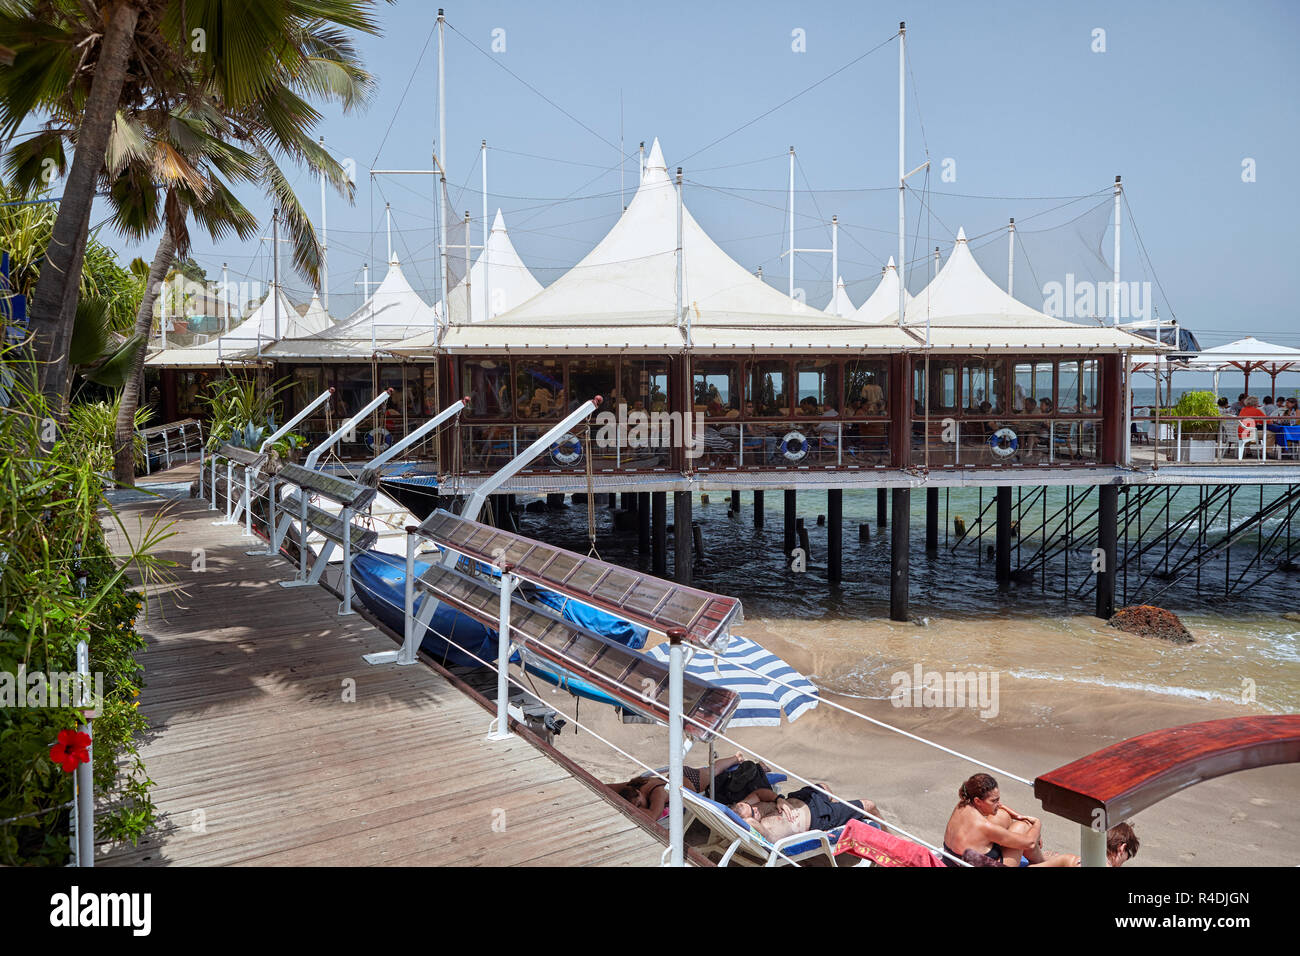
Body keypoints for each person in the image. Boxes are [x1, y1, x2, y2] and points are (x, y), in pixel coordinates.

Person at [942, 773, 1079, 867]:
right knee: (1069, 860)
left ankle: (1038, 858)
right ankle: (1041, 860)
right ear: (978, 801)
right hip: (983, 862)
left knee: (1003, 815)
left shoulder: (963, 804)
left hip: (956, 860)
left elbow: (1000, 808)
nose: (998, 803)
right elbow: (1029, 843)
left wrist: (1016, 815)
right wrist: (1037, 824)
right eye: (994, 800)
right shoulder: (984, 827)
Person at [610, 754, 766, 820]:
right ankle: (736, 759)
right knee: (711, 770)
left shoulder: (657, 794)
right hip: (678, 776)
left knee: (714, 771)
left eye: (639, 804)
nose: (640, 807)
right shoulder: (634, 785)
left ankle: (739, 759)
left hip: (693, 781)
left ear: (638, 794)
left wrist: (631, 808)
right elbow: (610, 787)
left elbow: (653, 815)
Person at [732, 785, 879, 843]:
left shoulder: (746, 810)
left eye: (752, 806)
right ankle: (893, 837)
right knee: (869, 805)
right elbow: (750, 824)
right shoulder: (763, 831)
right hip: (819, 817)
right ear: (748, 821)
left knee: (824, 787)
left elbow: (759, 793)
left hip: (802, 799)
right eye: (753, 812)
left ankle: (841, 810)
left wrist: (779, 800)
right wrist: (748, 817)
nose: (756, 808)